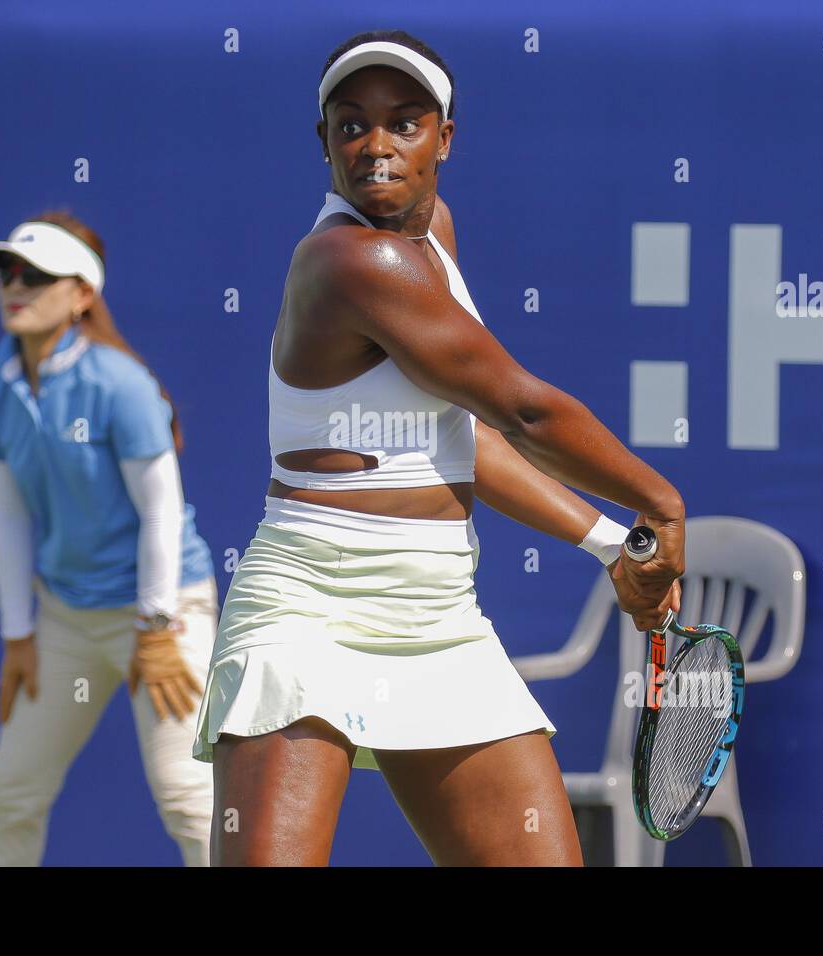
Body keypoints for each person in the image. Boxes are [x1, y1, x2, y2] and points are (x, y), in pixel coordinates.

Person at [192, 30, 685, 866]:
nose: (376, 146)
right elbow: (524, 412)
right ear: (324, 144)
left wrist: (608, 542)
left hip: (438, 615)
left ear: (444, 140)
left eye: (405, 123)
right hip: (306, 609)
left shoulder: (435, 235)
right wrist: (661, 505)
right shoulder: (351, 260)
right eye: (352, 126)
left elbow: (465, 439)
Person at [0, 211, 217, 866]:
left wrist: (158, 627)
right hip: (65, 619)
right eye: (7, 274)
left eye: (36, 276)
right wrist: (18, 633)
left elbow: (163, 511)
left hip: (163, 612)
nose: (14, 286)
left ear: (81, 294)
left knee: (188, 798)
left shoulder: (121, 387)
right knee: (11, 792)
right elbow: (8, 514)